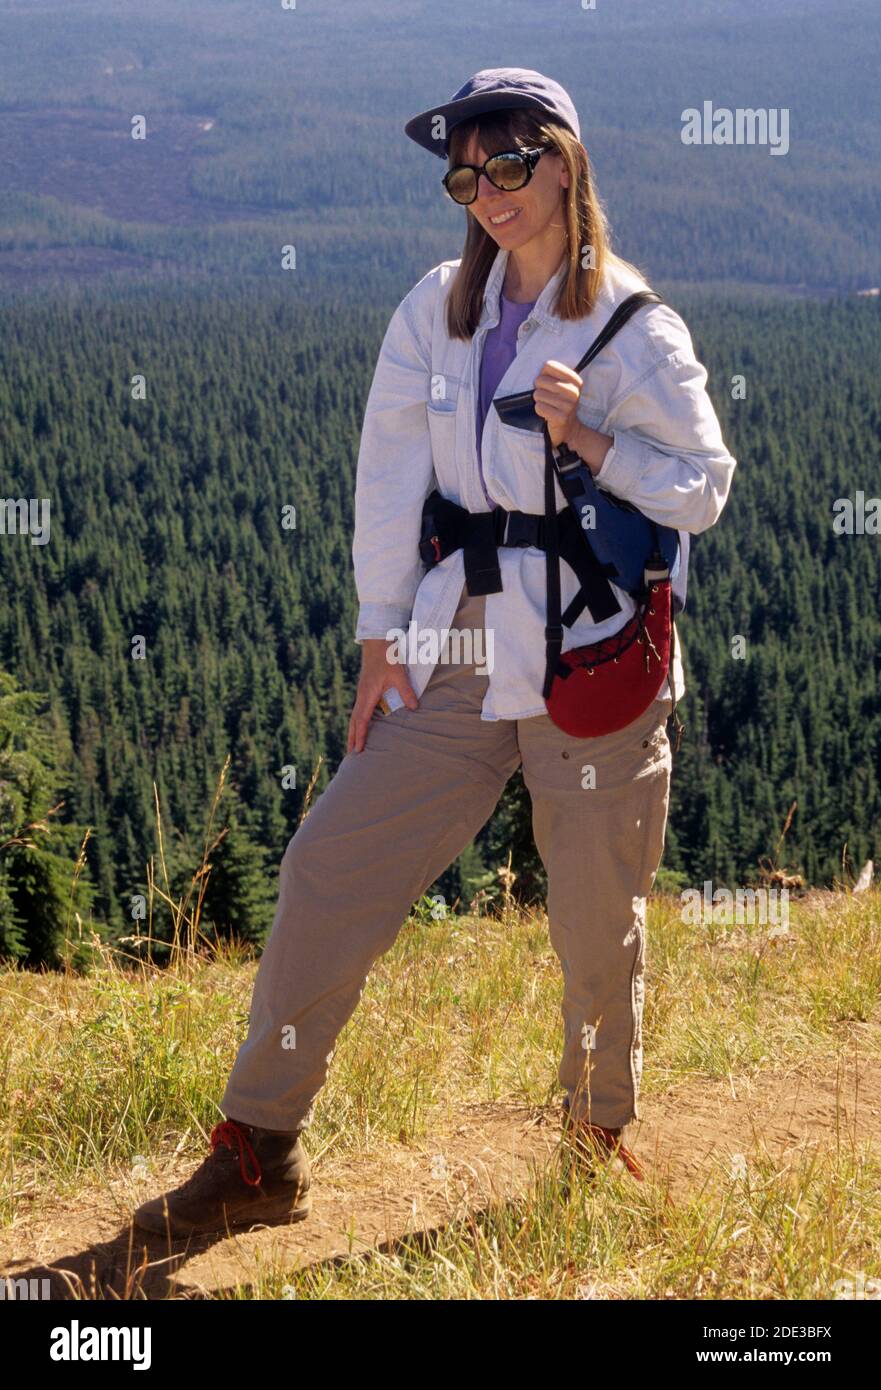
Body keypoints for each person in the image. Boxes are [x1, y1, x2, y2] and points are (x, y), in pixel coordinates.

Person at [134, 68, 736, 1236]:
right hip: (455, 643)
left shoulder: (630, 322)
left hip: (594, 652)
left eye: (509, 164)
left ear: (564, 162)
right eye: (466, 172)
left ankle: (593, 1129)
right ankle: (260, 1147)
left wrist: (590, 434)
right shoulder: (434, 308)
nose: (487, 192)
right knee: (327, 865)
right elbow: (388, 476)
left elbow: (701, 486)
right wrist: (380, 638)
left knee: (592, 915)